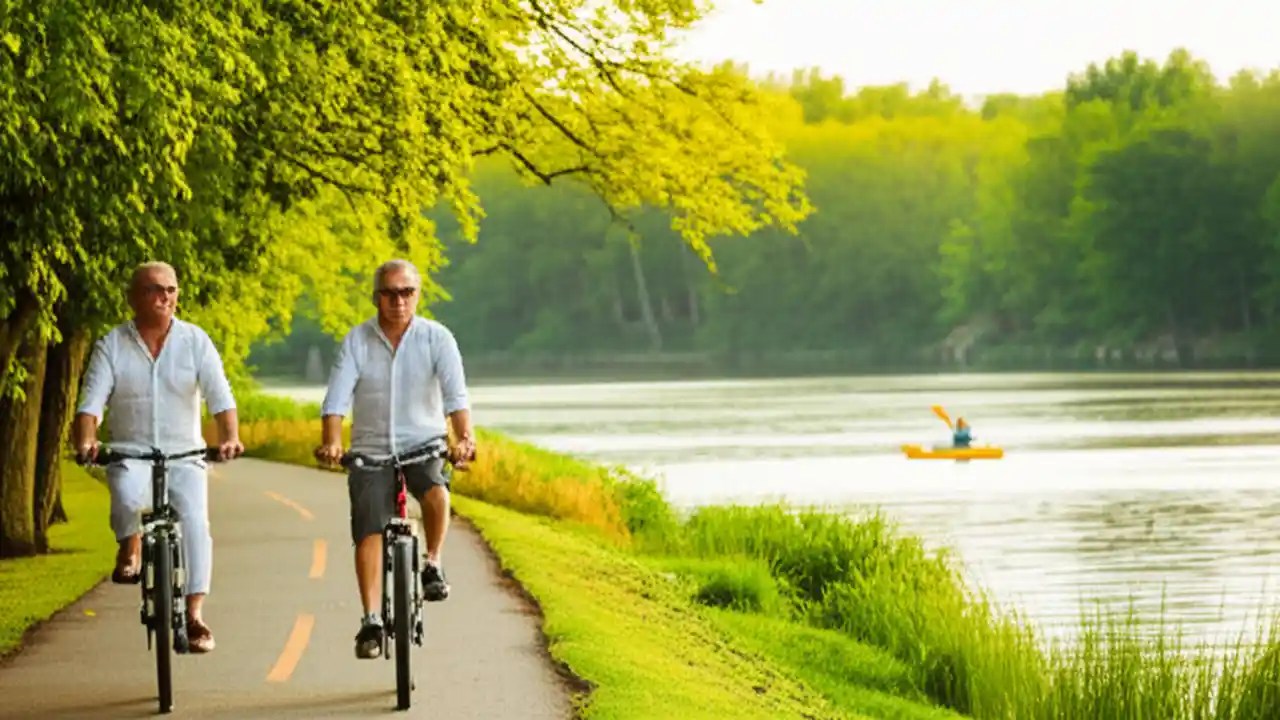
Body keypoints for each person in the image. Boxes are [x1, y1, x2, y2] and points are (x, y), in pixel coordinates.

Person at [73, 261, 244, 654]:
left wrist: (230, 438)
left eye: (170, 289)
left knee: (197, 524)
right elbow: (91, 404)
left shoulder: (195, 341)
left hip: (185, 454)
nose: (163, 297)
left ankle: (195, 614)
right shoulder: (112, 344)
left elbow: (220, 396)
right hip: (131, 453)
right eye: (153, 289)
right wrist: (87, 441)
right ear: (134, 297)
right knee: (128, 495)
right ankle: (130, 546)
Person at [315, 259, 476, 660]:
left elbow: (456, 398)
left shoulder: (437, 339)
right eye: (389, 293)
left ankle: (433, 563)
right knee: (369, 528)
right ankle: (370, 619)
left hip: (424, 443)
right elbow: (336, 399)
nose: (398, 301)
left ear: (417, 295)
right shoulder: (357, 341)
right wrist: (332, 442)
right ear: (376, 297)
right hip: (370, 451)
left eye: (406, 292)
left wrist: (465, 439)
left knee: (437, 490)